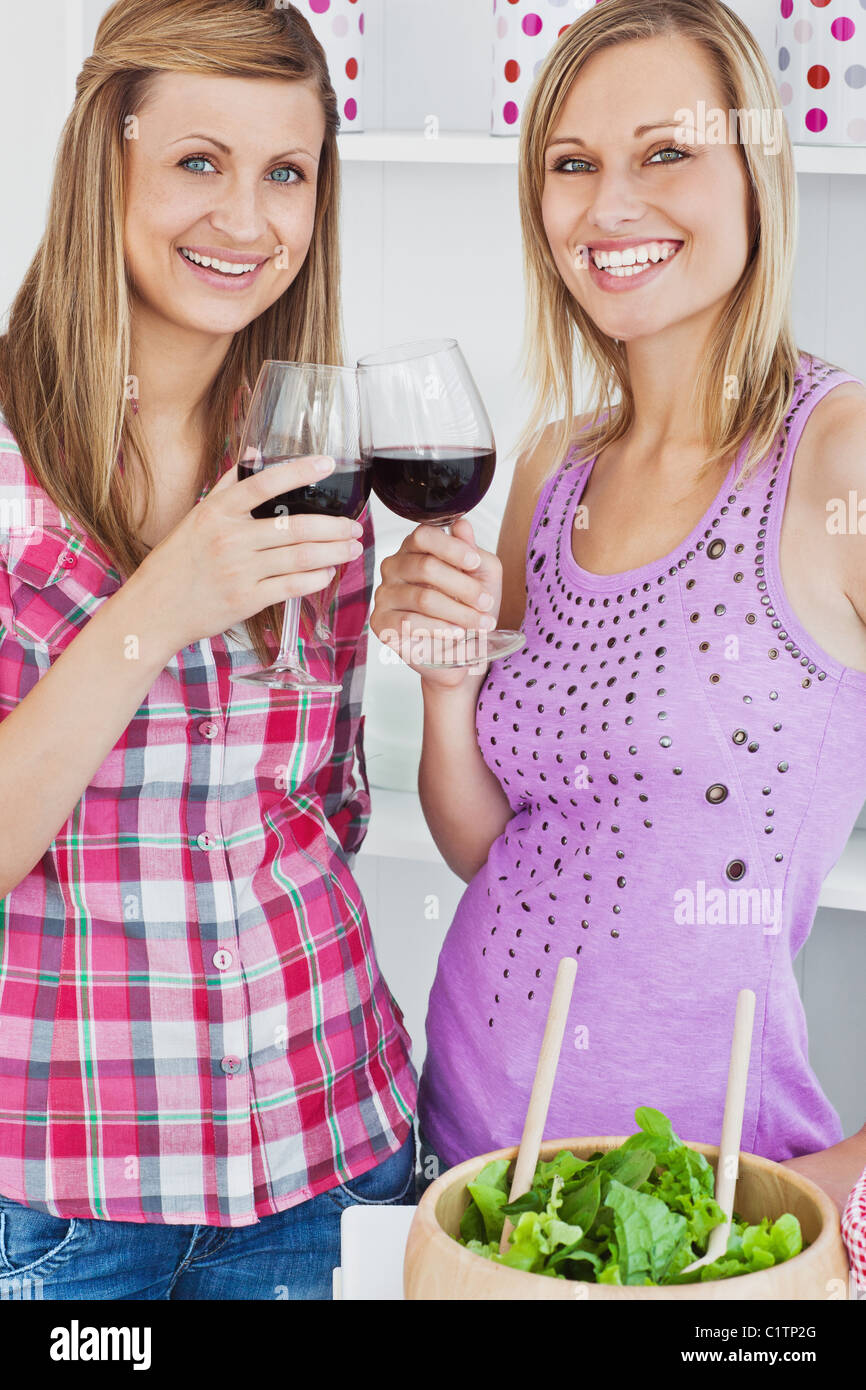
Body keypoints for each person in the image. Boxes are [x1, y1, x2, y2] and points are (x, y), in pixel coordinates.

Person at [371, 0, 866, 1213]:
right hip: (467, 1162)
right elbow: (507, 850)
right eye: (571, 164)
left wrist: (828, 1216)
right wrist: (447, 684)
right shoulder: (554, 467)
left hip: (699, 1208)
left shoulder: (837, 457)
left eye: (665, 152)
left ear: (755, 172)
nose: (609, 207)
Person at [0, 0, 415, 1301]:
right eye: (197, 160)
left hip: (330, 1160)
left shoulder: (308, 456)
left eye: (284, 171)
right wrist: (150, 612)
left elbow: (322, 809)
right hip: (66, 1208)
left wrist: (425, 641)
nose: (245, 219)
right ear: (102, 160)